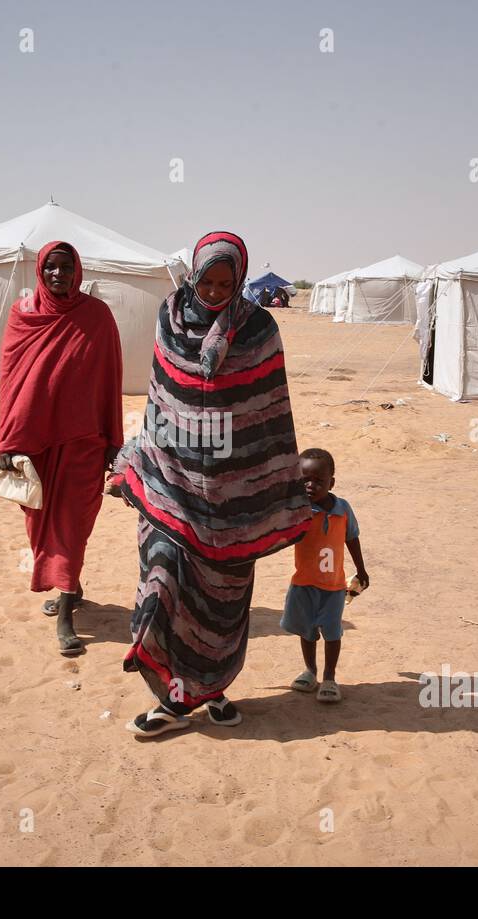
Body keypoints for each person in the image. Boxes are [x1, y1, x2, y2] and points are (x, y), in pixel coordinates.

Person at [120, 230, 311, 737]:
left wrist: (271, 487)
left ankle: (215, 688)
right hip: (171, 485)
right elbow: (162, 398)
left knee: (221, 606)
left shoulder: (260, 330)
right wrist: (143, 461)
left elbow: (269, 413)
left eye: (227, 282)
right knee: (164, 582)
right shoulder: (171, 316)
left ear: (240, 279)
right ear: (194, 275)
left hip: (235, 500)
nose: (215, 291)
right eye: (208, 280)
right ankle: (173, 700)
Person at [0, 241, 123, 656]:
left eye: (66, 267)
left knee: (71, 525)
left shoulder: (97, 316)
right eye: (51, 267)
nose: (58, 275)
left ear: (78, 270)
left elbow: (110, 380)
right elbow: (12, 383)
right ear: (40, 270)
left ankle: (67, 611)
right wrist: (8, 441)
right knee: (39, 522)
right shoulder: (24, 315)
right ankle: (73, 582)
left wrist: (112, 441)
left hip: (85, 441)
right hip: (35, 443)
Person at [282, 448, 368, 703]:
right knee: (306, 631)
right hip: (303, 583)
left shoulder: (343, 509)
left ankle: (329, 677)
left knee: (332, 633)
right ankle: (310, 671)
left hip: (333, 587)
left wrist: (362, 570)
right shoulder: (298, 509)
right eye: (304, 479)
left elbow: (352, 537)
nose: (311, 485)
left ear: (331, 482)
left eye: (319, 481)